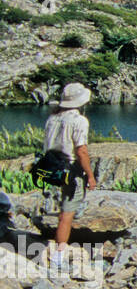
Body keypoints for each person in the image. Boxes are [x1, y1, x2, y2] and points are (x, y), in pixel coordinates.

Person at [36, 82, 97, 262]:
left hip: (51, 166)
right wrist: (90, 176)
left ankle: (55, 243)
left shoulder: (52, 118)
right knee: (66, 213)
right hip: (70, 168)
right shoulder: (79, 121)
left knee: (59, 204)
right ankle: (59, 255)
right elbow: (81, 151)